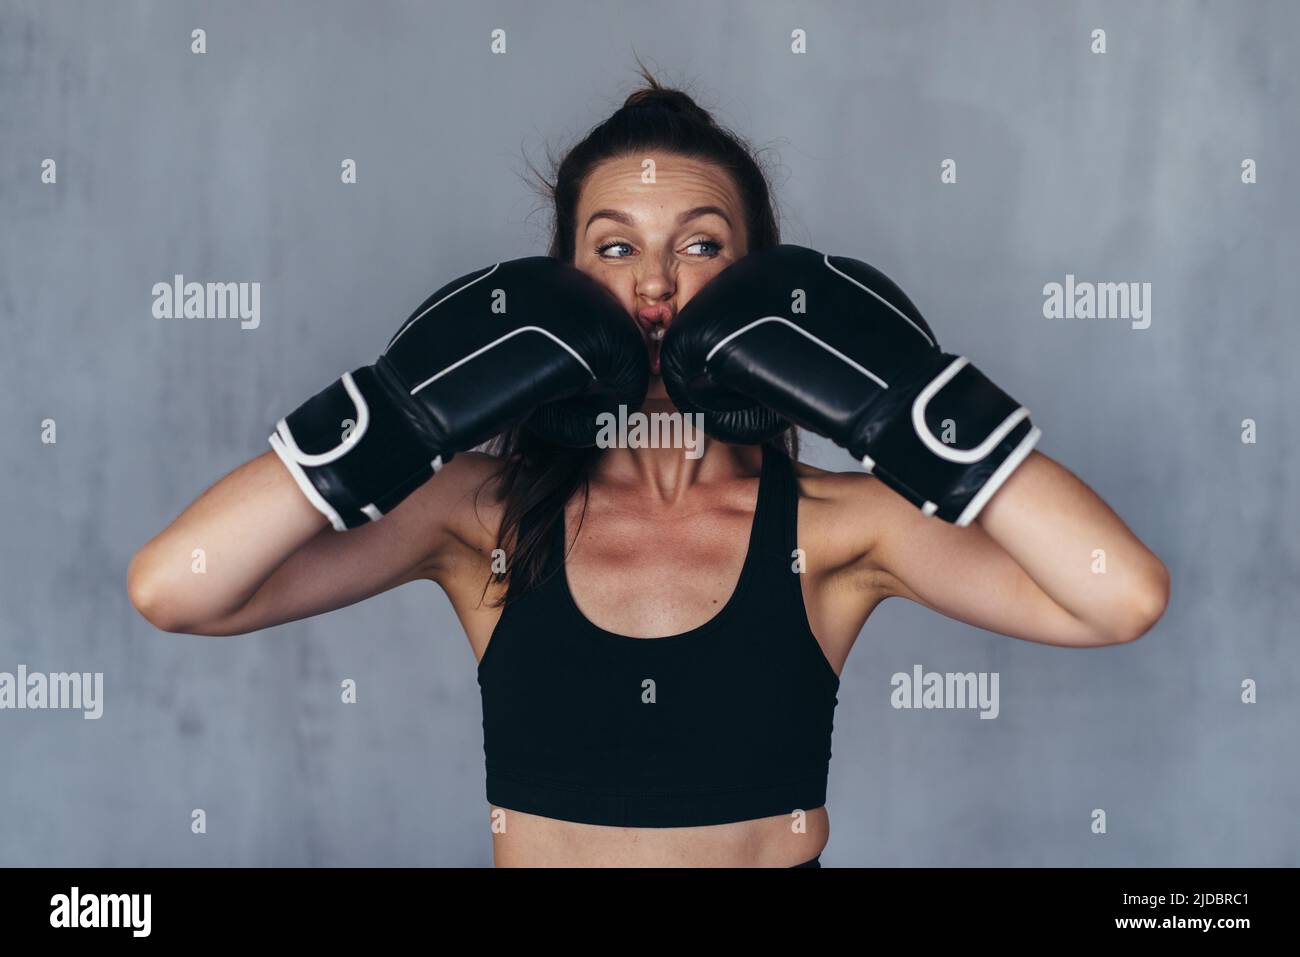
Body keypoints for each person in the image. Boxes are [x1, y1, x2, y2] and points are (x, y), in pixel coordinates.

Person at [127, 67, 1170, 868]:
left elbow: (1115, 598)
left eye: (703, 246)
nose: (660, 282)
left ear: (759, 281)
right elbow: (177, 588)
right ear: (563, 282)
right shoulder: (480, 518)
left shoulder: (837, 527)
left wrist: (914, 407)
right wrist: (394, 415)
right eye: (615, 248)